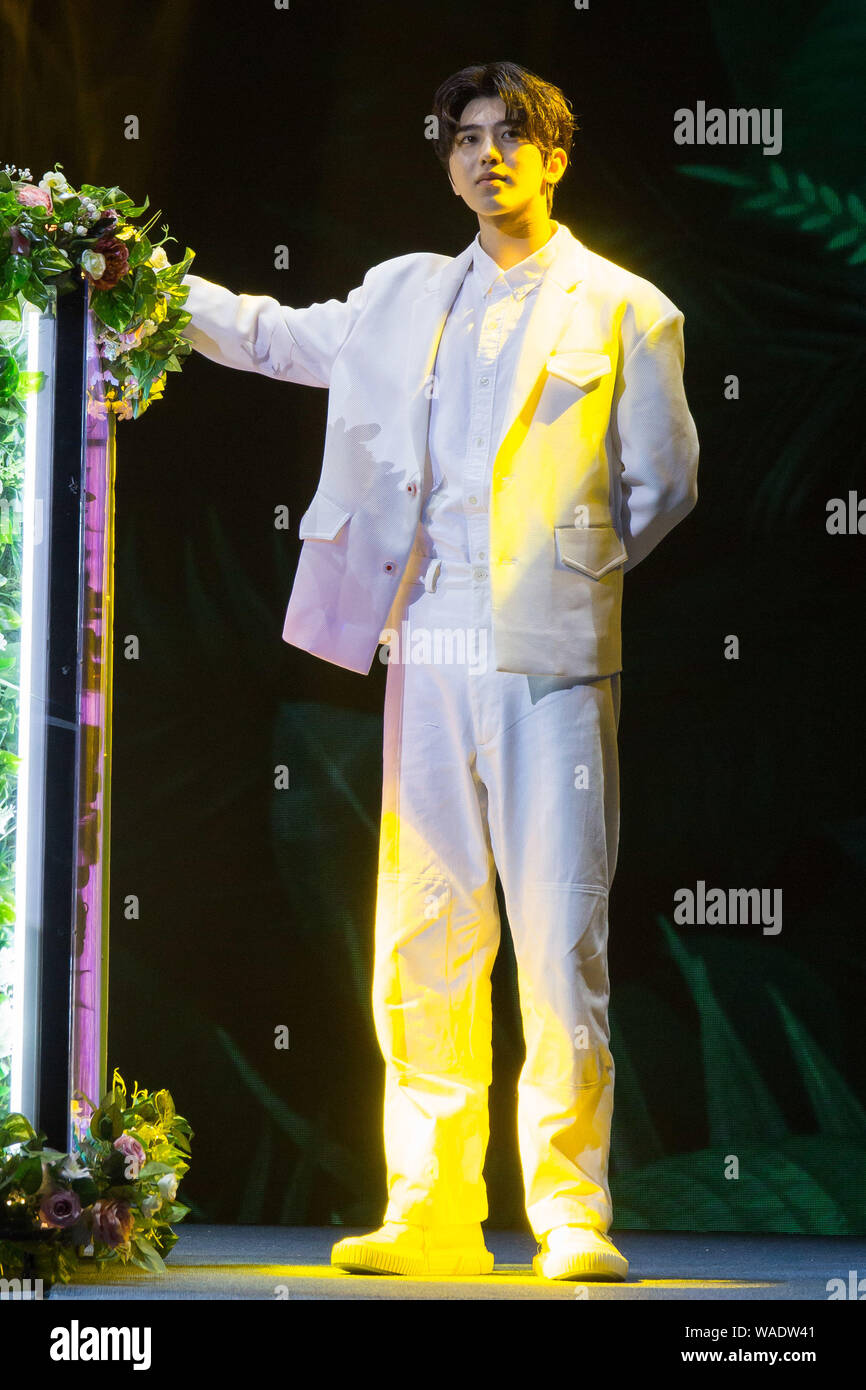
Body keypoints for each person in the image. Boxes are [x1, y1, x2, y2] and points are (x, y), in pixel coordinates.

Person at [179, 60, 699, 1282]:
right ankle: (429, 1203)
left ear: (553, 155)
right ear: (447, 159)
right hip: (427, 638)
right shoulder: (404, 294)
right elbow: (267, 336)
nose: (486, 155)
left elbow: (663, 483)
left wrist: (569, 575)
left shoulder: (627, 307)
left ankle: (570, 1210)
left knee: (558, 923)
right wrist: (141, 284)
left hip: (547, 655)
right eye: (465, 138)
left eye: (510, 135)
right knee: (424, 929)